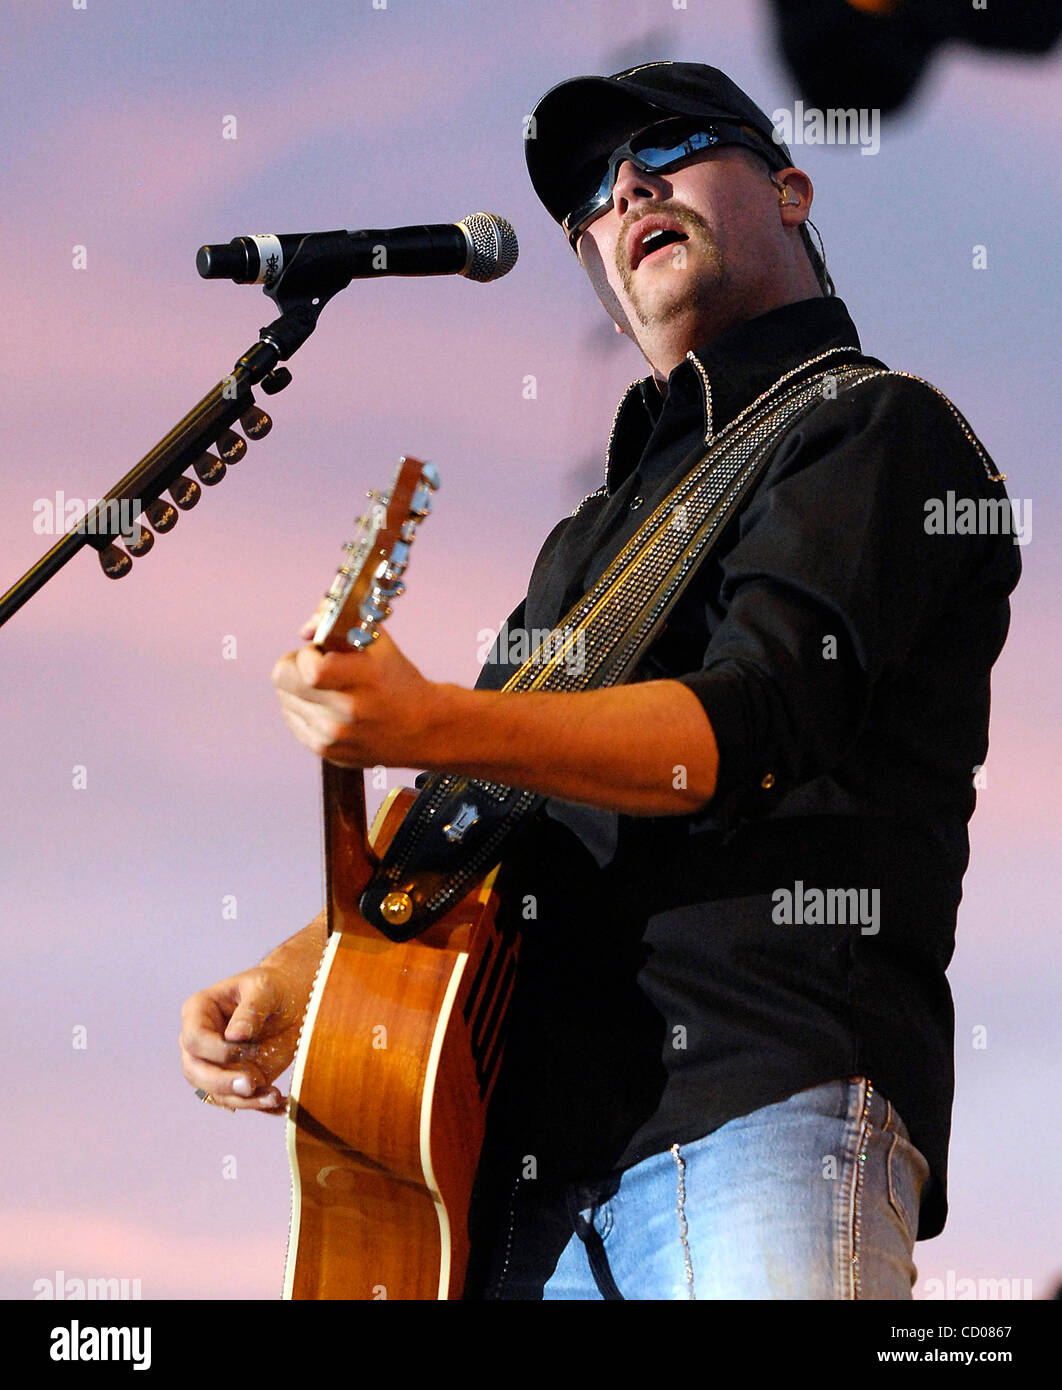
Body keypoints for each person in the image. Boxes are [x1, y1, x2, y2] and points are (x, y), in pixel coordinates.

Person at [179, 61, 1021, 1299]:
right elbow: (481, 816)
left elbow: (746, 724)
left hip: (754, 1110)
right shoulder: (586, 547)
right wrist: (300, 970)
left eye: (669, 147)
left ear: (789, 190)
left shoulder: (874, 428)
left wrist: (428, 717)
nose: (625, 189)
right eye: (589, 196)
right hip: (518, 1199)